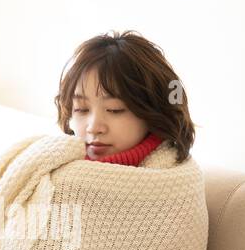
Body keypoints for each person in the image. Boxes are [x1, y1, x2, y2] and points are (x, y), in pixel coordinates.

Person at [54, 30, 196, 166]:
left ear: (153, 110)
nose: (94, 128)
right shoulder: (52, 167)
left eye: (114, 109)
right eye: (81, 109)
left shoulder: (177, 179)